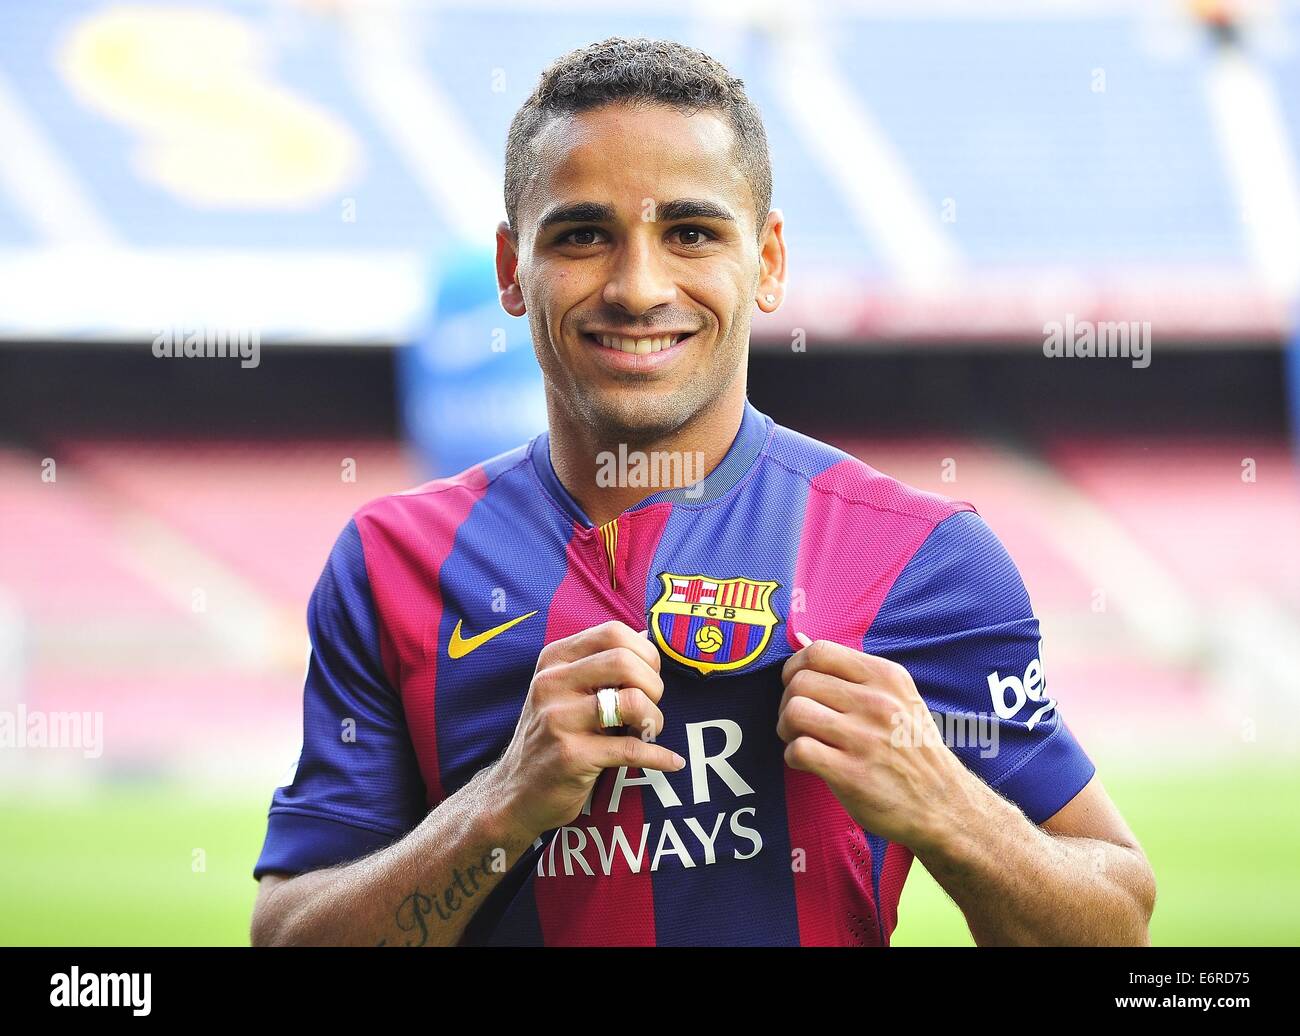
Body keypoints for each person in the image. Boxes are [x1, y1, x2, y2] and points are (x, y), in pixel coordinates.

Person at [249, 36, 1155, 947]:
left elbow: (1116, 925)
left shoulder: (921, 558)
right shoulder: (391, 563)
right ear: (510, 269)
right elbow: (288, 938)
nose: (639, 289)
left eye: (690, 232)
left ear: (765, 261)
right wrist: (501, 805)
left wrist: (947, 805)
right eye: (582, 235)